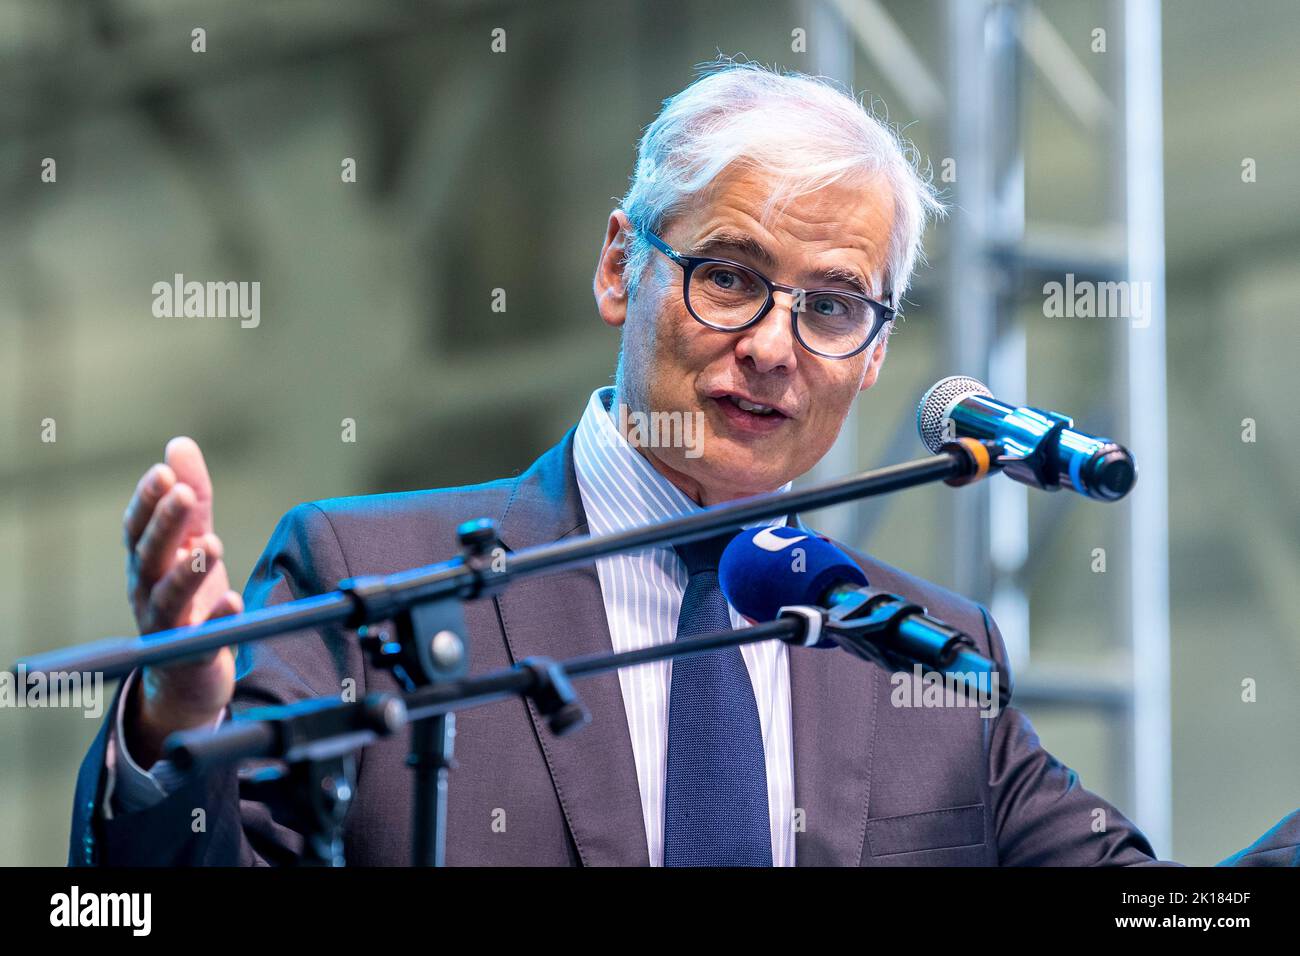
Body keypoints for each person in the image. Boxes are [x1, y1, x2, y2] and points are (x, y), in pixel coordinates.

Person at [70, 62, 1296, 866]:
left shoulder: (927, 651)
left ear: (873, 356)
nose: (770, 347)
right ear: (620, 266)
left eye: (831, 305)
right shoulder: (375, 574)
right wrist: (181, 720)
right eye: (728, 275)